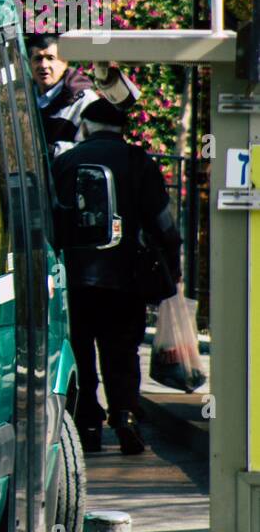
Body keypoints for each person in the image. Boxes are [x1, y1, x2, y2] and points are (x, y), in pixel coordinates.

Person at [53, 98, 182, 456]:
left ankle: (88, 424)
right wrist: (172, 266)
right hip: (126, 280)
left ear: (87, 128)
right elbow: (163, 223)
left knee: (80, 352)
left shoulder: (64, 163)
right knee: (122, 352)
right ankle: (125, 416)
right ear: (121, 130)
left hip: (75, 282)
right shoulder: (139, 162)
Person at [28, 33, 139, 156]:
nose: (44, 65)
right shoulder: (21, 97)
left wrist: (54, 150)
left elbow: (94, 147)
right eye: (38, 59)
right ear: (29, 63)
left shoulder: (84, 100)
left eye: (51, 58)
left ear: (65, 62)